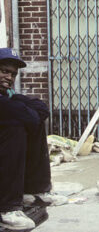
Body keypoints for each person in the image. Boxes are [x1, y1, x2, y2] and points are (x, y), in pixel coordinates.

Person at [0, 48, 65, 231]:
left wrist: (23, 108)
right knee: (16, 129)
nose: (9, 77)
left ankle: (34, 190)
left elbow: (41, 109)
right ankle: (7, 210)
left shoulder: (9, 96)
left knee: (32, 125)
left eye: (13, 74)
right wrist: (25, 110)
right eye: (4, 71)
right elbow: (21, 112)